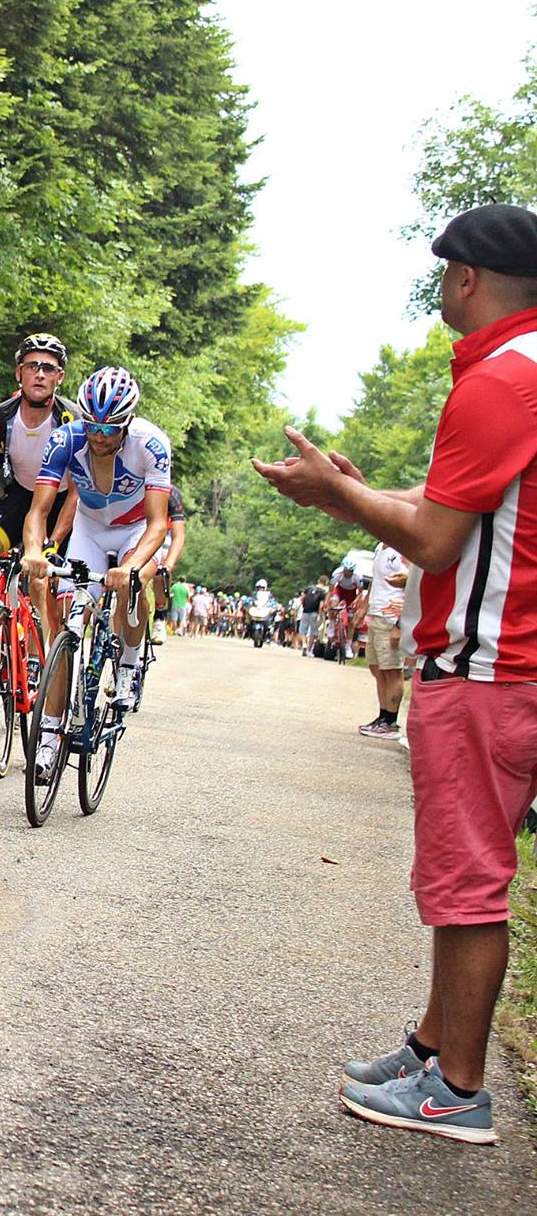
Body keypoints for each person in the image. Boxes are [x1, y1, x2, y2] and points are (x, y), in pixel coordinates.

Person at [255, 202, 537, 1145]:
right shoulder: (523, 370)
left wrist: (340, 495)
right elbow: (455, 500)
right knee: (467, 873)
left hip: (488, 668)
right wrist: (360, 488)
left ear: (466, 277)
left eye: (442, 273)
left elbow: (435, 533)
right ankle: (432, 1043)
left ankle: (459, 1090)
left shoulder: (500, 382)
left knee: (468, 881)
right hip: (509, 663)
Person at [22, 367, 172, 779]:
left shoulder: (151, 444)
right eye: (93, 425)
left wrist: (131, 567)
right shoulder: (65, 439)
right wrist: (34, 551)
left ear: (127, 423)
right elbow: (38, 510)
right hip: (89, 527)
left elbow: (159, 524)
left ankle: (127, 661)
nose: (99, 435)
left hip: (135, 528)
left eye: (110, 427)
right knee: (65, 630)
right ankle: (50, 735)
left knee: (131, 587)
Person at [0, 332, 77, 660]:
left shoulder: (70, 420)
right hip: (20, 496)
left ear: (59, 377)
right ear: (19, 373)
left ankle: (35, 661)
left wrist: (53, 543)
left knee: (46, 585)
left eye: (48, 368)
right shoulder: (0, 418)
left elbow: (76, 492)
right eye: (32, 366)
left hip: (61, 504)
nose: (40, 374)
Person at [358, 541, 412, 740]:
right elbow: (376, 581)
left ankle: (391, 721)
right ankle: (382, 716)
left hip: (392, 615)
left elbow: (413, 581)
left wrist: (400, 623)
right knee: (377, 667)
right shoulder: (381, 547)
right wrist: (364, 606)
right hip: (377, 613)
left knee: (391, 669)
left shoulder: (403, 549)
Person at [149, 484, 187, 644]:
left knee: (161, 569)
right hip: (134, 529)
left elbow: (178, 535)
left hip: (162, 534)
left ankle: (159, 617)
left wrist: (168, 566)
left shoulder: (171, 492)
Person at [299, 576, 328, 656]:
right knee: (313, 632)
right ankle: (308, 650)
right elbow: (321, 605)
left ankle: (304, 644)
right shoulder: (322, 592)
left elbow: (302, 598)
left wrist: (303, 606)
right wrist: (320, 614)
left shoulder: (309, 588)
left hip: (305, 611)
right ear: (325, 582)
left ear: (318, 580)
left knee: (303, 630)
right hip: (315, 613)